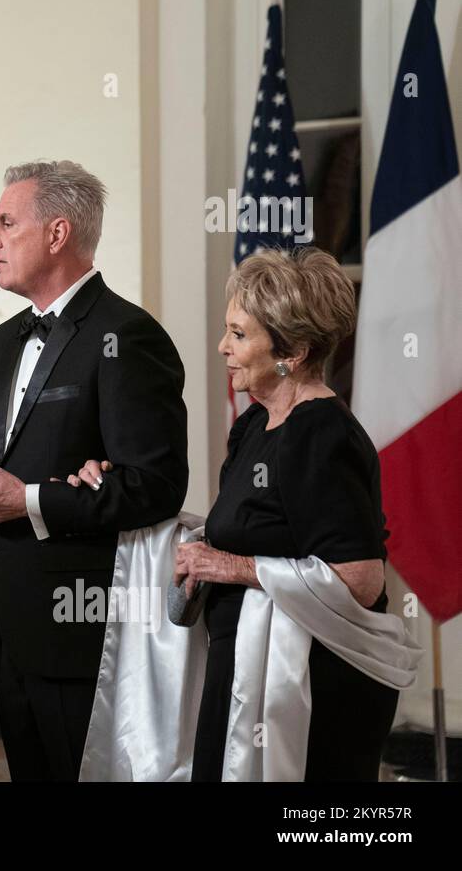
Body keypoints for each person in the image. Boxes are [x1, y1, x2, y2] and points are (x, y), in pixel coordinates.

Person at [0, 159, 188, 781]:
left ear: (56, 234)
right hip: (5, 612)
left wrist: (29, 500)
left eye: (4, 222)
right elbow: (5, 463)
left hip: (84, 625)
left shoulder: (129, 335)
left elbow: (155, 485)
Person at [173, 249, 405, 780]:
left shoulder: (323, 436)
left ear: (293, 352)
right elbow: (248, 528)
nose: (222, 348)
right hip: (242, 674)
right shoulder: (255, 424)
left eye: (238, 334)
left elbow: (360, 582)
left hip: (309, 691)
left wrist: (232, 568)